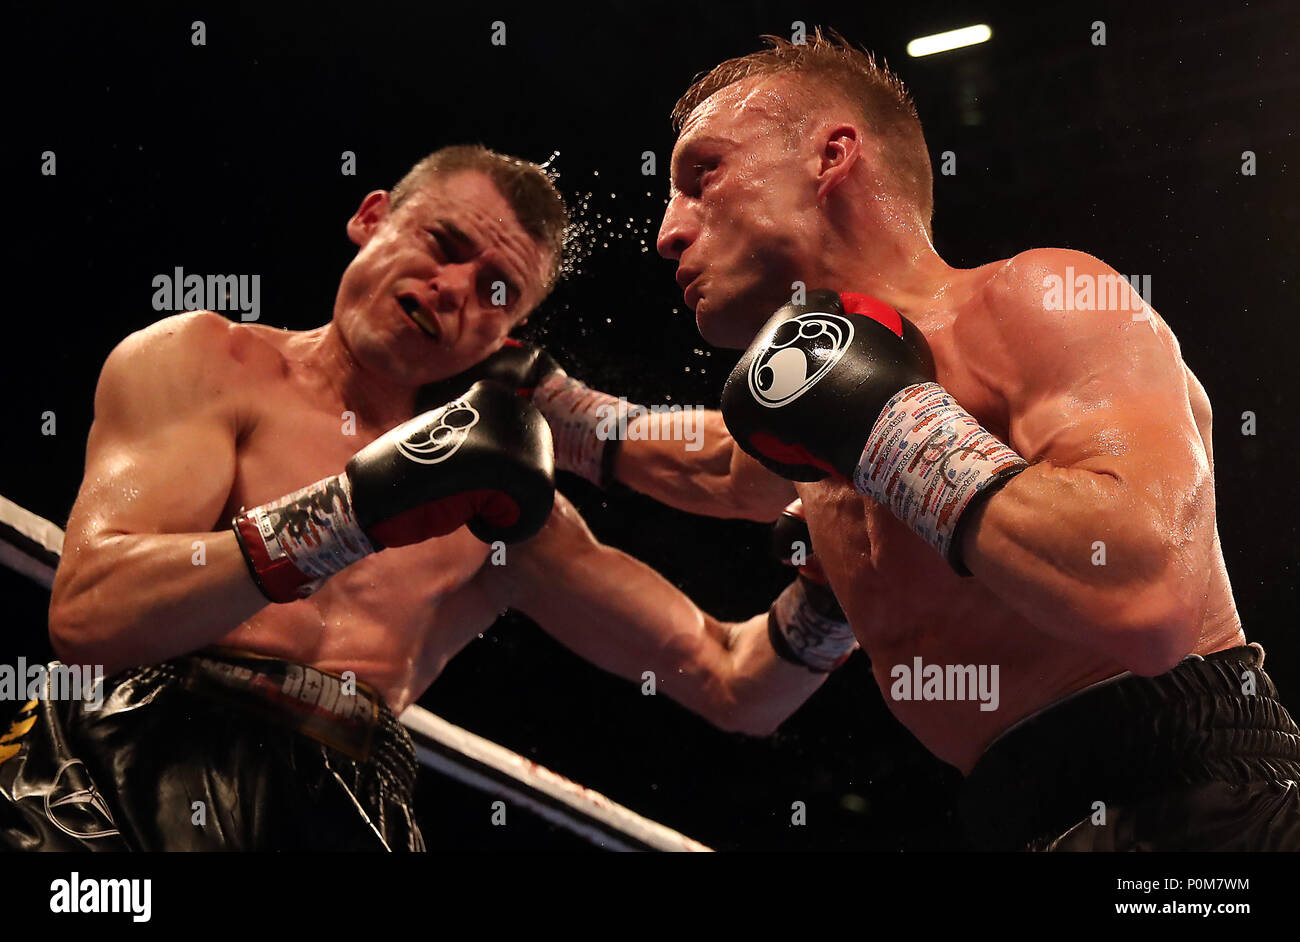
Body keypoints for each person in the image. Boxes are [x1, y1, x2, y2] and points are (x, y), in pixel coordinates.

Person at [537, 30, 1300, 850]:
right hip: (1020, 816)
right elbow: (714, 467)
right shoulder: (814, 429)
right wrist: (544, 401)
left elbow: (1148, 602)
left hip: (1202, 801)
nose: (667, 231)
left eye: (702, 175)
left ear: (831, 156)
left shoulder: (1036, 297)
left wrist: (892, 426)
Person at [0, 145, 842, 852]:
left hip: (338, 805)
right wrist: (350, 513)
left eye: (497, 292)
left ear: (504, 335)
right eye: (442, 244)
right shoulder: (205, 363)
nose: (455, 289)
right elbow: (87, 613)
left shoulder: (498, 505)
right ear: (372, 219)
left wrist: (831, 598)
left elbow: (735, 683)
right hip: (114, 768)